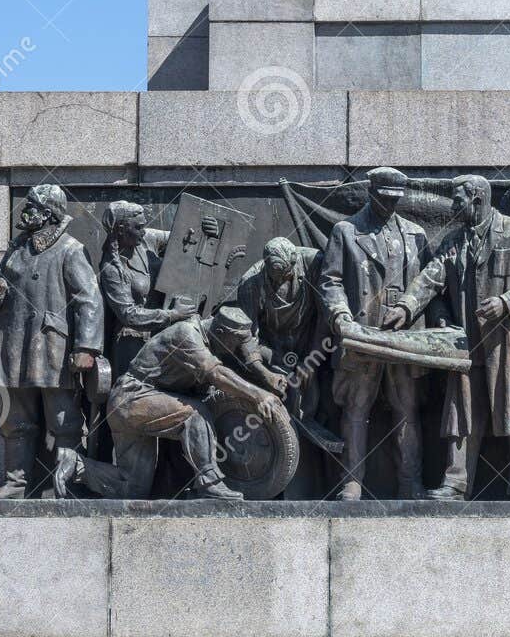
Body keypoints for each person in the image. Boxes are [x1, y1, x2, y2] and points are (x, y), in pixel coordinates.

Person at [391, 175, 510, 502]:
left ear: (477, 198)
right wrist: (406, 307)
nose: (453, 206)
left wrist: (507, 301)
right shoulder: (454, 241)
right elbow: (429, 281)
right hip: (468, 344)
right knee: (461, 414)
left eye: (457, 199)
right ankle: (456, 482)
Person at [69, 307, 282, 501]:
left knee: (132, 488)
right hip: (132, 397)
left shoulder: (209, 338)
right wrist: (258, 395)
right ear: (224, 333)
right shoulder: (187, 334)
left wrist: (267, 376)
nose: (233, 351)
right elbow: (216, 373)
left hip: (139, 404)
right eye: (235, 345)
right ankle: (210, 484)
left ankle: (75, 465)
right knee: (194, 414)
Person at [0, 183, 103, 499]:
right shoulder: (16, 250)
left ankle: (69, 483)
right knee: (15, 420)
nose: (24, 211)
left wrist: (86, 347)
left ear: (47, 213)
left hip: (53, 348)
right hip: (16, 344)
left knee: (64, 420)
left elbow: (89, 299)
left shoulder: (70, 249)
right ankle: (15, 485)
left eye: (31, 206)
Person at [318, 167, 432, 500]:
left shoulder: (415, 234)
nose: (390, 205)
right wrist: (340, 316)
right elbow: (330, 281)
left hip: (404, 335)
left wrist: (423, 316)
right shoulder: (346, 231)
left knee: (406, 407)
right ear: (372, 193)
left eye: (396, 199)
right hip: (361, 333)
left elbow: (429, 283)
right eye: (384, 199)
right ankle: (351, 482)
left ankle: (410, 481)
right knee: (357, 407)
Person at [234, 237, 343, 461]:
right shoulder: (250, 283)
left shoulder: (314, 264)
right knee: (287, 393)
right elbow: (246, 336)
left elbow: (326, 316)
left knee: (321, 398)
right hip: (272, 348)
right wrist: (266, 371)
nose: (280, 281)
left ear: (294, 264)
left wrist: (312, 360)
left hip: (313, 344)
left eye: (285, 274)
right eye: (274, 276)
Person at [98, 201, 196, 378]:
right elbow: (128, 314)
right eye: (138, 227)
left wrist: (206, 228)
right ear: (121, 229)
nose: (143, 231)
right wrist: (172, 315)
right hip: (132, 344)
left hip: (163, 335)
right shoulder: (111, 269)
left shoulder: (146, 239)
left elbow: (183, 236)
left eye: (144, 226)